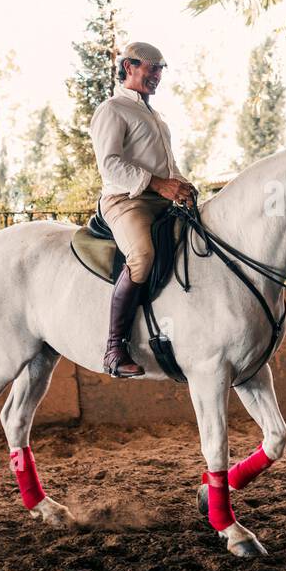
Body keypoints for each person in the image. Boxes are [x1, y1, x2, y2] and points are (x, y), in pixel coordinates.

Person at [90, 42, 197, 378]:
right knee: (141, 256)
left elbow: (168, 166)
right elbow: (110, 165)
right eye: (152, 68)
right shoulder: (112, 110)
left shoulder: (155, 116)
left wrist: (182, 184)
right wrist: (157, 184)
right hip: (126, 201)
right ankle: (114, 347)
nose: (157, 75)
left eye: (160, 69)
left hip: (162, 199)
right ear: (129, 66)